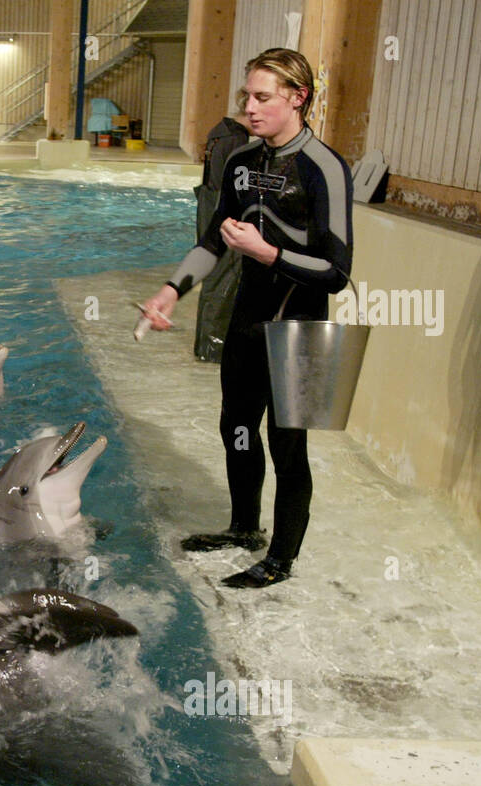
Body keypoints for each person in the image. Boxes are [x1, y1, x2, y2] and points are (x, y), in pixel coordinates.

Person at [139, 48, 354, 588]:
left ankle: (280, 560)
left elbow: (336, 271)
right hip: (247, 319)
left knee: (287, 443)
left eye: (263, 97)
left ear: (298, 97)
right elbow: (212, 242)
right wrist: (171, 291)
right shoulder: (240, 162)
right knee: (236, 424)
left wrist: (268, 254)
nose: (251, 108)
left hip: (299, 325)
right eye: (247, 97)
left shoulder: (323, 167)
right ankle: (242, 528)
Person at [192, 97, 251, 362]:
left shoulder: (220, 129)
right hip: (222, 216)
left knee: (212, 278)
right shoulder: (237, 140)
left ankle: (205, 346)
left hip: (209, 210)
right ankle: (214, 348)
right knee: (225, 278)